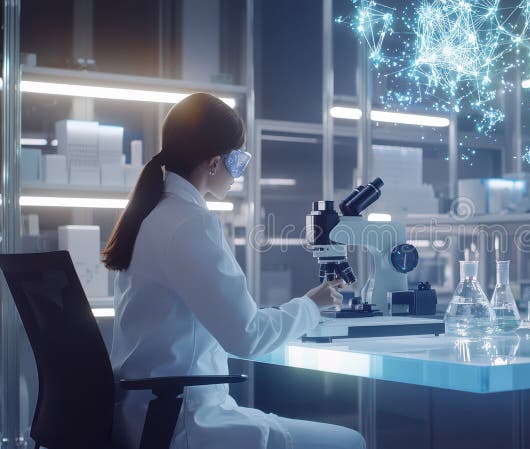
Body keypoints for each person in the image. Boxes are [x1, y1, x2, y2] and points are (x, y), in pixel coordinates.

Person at [103, 93, 365, 449]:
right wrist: (310, 306)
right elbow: (248, 336)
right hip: (184, 423)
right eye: (238, 161)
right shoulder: (190, 223)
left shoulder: (153, 213)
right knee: (350, 441)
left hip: (146, 417)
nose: (239, 174)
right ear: (213, 163)